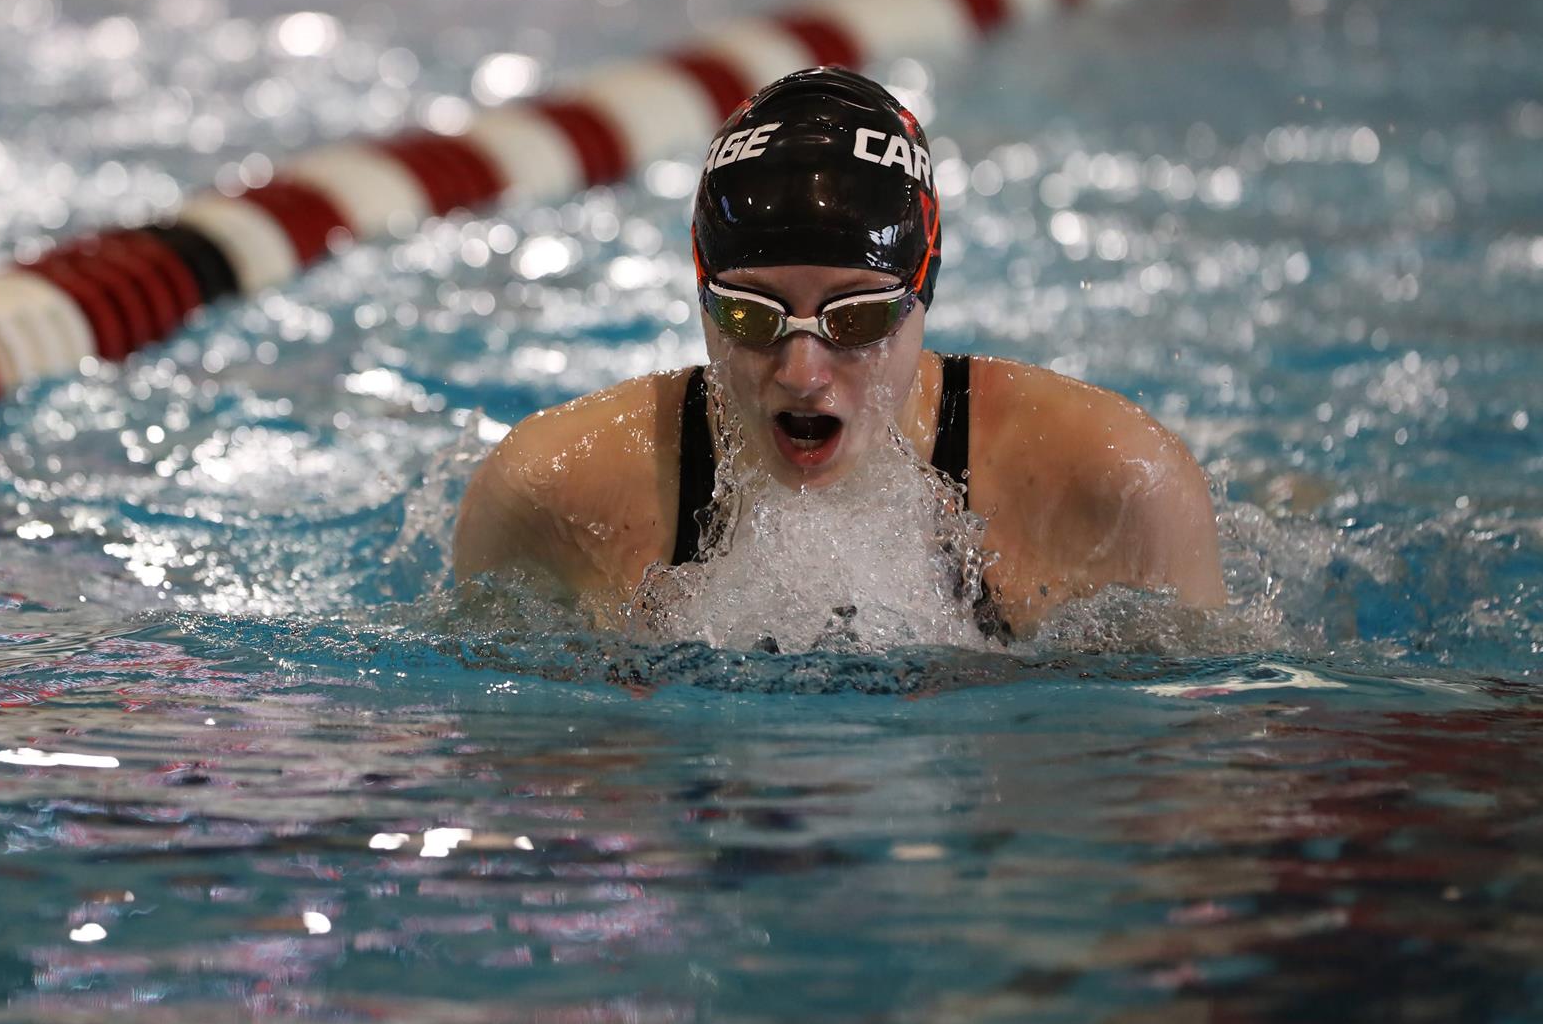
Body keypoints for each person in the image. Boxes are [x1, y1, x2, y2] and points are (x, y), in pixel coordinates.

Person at [452, 66, 1225, 639]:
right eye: (753, 318)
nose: (801, 375)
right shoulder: (547, 493)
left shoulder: (1113, 487)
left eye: (856, 320)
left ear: (924, 289)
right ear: (700, 291)